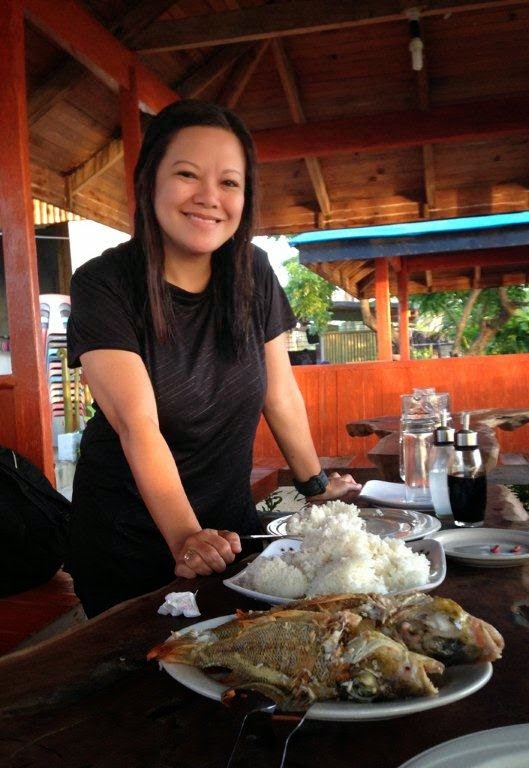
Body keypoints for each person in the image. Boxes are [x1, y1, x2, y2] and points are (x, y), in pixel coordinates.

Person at [65, 99, 360, 618]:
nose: (209, 197)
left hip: (228, 534)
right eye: (186, 174)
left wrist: (317, 489)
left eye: (229, 182)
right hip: (127, 543)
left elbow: (279, 391)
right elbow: (138, 425)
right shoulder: (104, 284)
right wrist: (186, 536)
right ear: (149, 181)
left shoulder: (252, 271)